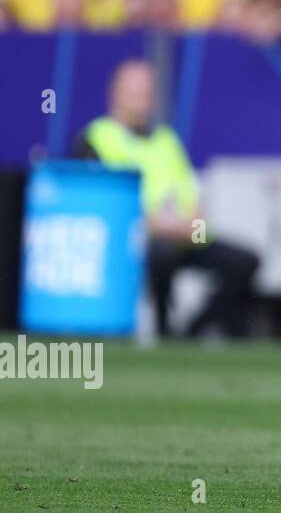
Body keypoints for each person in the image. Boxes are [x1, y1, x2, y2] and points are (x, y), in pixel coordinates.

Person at [74, 59, 260, 337]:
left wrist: (191, 225)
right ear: (114, 94)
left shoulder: (166, 140)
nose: (142, 101)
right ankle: (163, 330)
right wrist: (158, 226)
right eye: (134, 93)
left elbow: (190, 192)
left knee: (244, 261)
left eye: (147, 94)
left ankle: (196, 329)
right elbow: (101, 206)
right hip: (135, 240)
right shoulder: (96, 138)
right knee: (162, 256)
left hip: (184, 235)